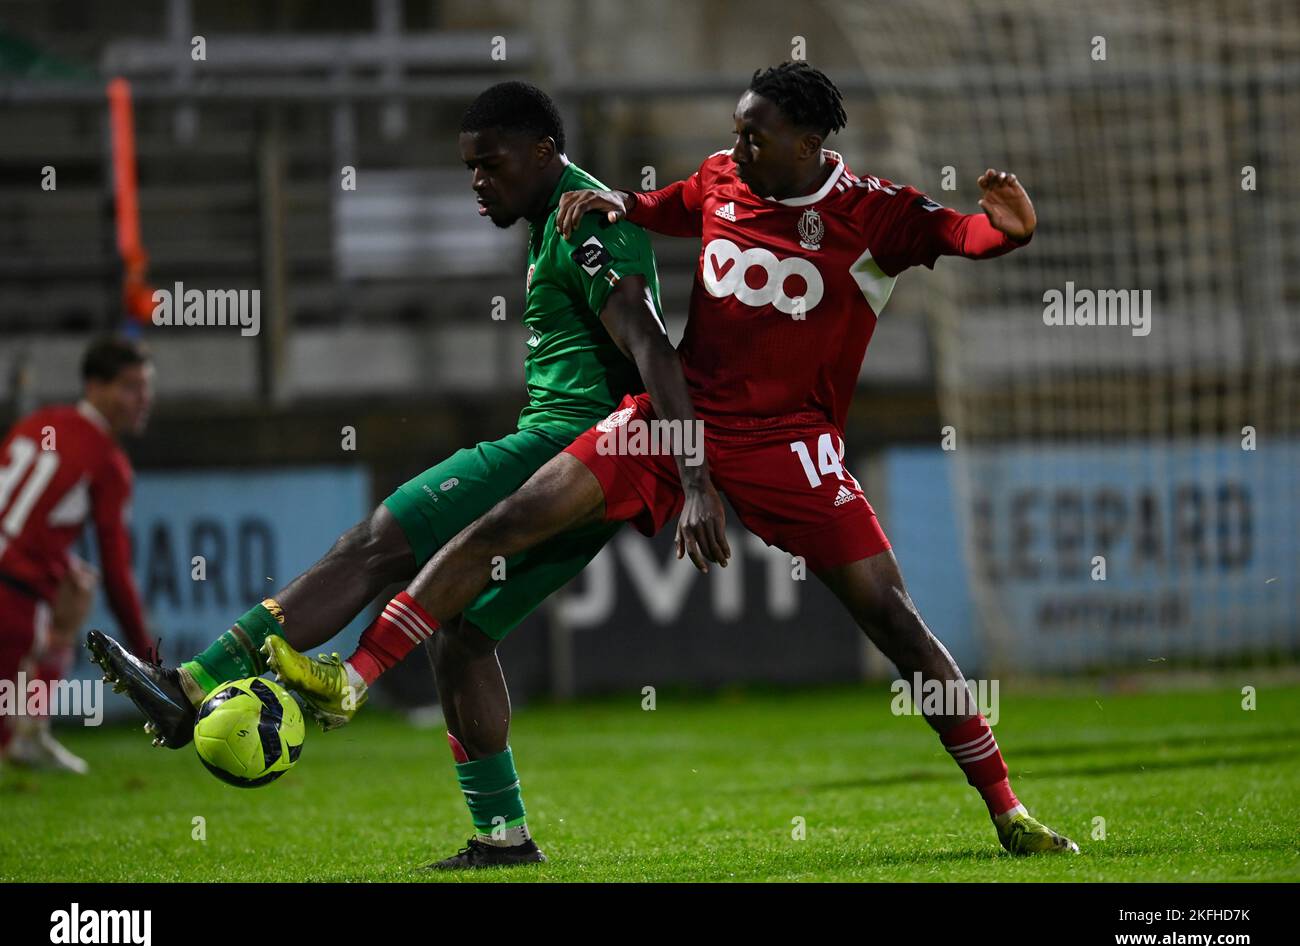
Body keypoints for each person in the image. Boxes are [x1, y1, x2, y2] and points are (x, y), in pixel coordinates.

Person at [269, 62, 1079, 861]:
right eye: (734, 131)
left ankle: (1009, 810)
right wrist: (619, 202)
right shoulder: (726, 176)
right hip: (674, 417)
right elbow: (671, 205)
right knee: (504, 523)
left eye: (753, 135)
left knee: (894, 620)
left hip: (789, 445)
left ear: (806, 142)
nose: (735, 147)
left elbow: (964, 234)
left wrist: (1007, 231)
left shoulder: (878, 214)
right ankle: (355, 676)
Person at [88, 81, 718, 867]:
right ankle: (503, 836)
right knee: (460, 634)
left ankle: (195, 682)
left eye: (490, 164)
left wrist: (695, 478)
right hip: (595, 466)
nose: (477, 183)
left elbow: (654, 345)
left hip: (567, 448)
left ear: (544, 153)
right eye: (468, 168)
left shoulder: (586, 223)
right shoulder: (558, 215)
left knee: (379, 542)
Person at [0, 336, 154, 774]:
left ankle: (28, 731)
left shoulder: (39, 422)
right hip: (9, 600)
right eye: (130, 387)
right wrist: (147, 661)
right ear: (94, 386)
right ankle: (22, 732)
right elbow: (117, 571)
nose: (142, 399)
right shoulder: (107, 461)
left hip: (13, 581)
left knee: (75, 583)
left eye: (146, 387)